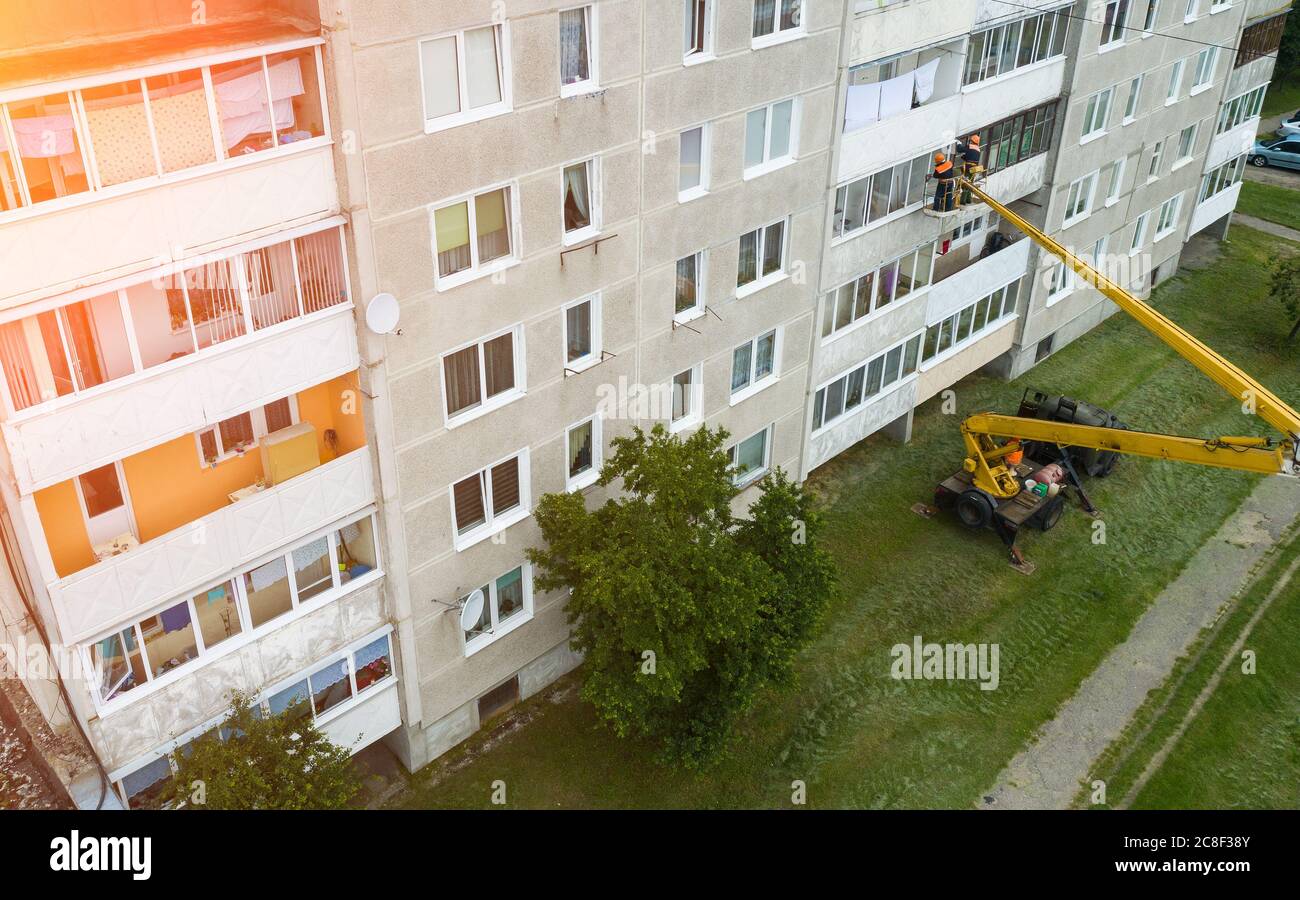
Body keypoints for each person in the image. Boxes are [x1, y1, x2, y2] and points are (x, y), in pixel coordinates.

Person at [957, 134, 982, 204]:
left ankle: (962, 201)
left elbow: (959, 149)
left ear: (972, 141)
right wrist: (964, 157)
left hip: (968, 168)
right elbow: (972, 157)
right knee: (970, 184)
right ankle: (968, 200)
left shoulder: (970, 146)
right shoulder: (978, 149)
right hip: (974, 169)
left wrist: (959, 143)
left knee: (965, 184)